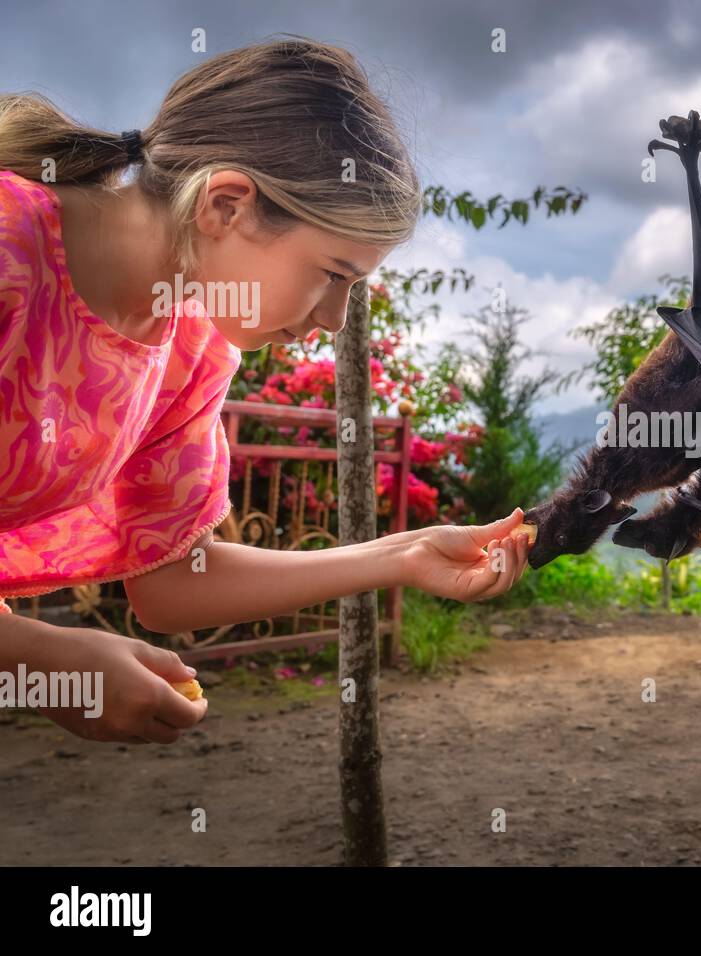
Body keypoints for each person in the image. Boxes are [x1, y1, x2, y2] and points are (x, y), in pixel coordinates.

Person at [0, 37, 532, 746]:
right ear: (227, 205)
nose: (332, 319)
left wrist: (402, 555)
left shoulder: (190, 349)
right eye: (333, 274)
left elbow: (172, 580)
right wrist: (32, 660)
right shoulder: (11, 249)